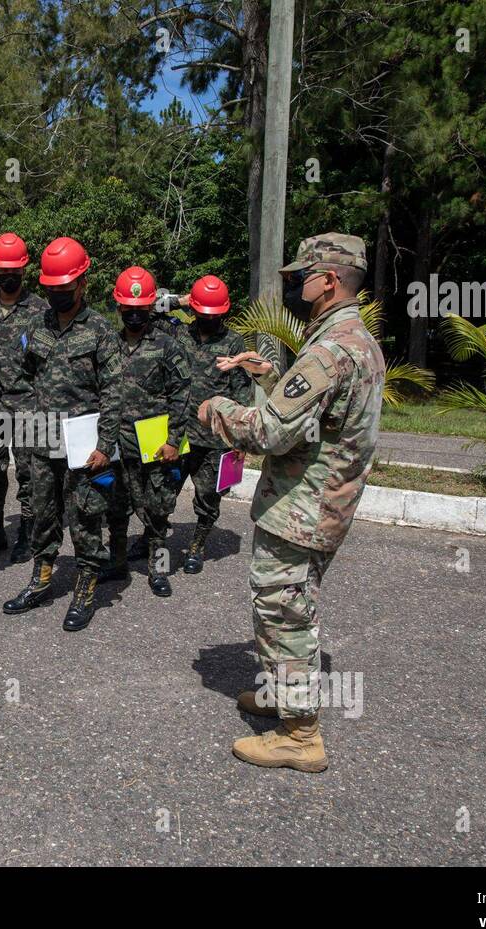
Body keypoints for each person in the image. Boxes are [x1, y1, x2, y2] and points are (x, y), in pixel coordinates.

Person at [199, 233, 385, 773]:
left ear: (328, 279)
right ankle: (284, 694)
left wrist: (213, 409)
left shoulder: (330, 350)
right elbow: (317, 421)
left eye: (303, 273)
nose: (295, 282)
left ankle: (300, 736)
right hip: (323, 501)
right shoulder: (355, 340)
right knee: (289, 600)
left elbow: (270, 432)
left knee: (284, 609)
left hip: (302, 508)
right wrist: (270, 376)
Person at [1, 237, 123, 632]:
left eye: (64, 290)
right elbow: (25, 372)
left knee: (85, 516)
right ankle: (41, 580)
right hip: (41, 438)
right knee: (43, 513)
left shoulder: (101, 331)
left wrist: (106, 445)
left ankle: (85, 588)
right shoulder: (39, 326)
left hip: (83, 444)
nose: (57, 296)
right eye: (51, 290)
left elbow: (114, 392)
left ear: (82, 283)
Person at [102, 266, 191, 596]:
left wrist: (173, 440)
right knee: (116, 509)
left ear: (151, 306)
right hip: (116, 443)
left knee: (158, 510)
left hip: (155, 443)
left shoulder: (168, 346)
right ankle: (117, 561)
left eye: (141, 309)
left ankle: (159, 568)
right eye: (129, 308)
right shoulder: (108, 344)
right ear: (119, 307)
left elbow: (182, 395)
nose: (135, 314)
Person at [0, 233, 48, 563]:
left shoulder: (41, 309)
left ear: (24, 269)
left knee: (29, 474)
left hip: (28, 403)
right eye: (2, 270)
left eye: (13, 269)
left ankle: (27, 535)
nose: (8, 275)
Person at [178, 275, 256, 574]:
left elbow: (241, 390)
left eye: (215, 314)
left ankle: (197, 546)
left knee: (208, 496)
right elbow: (150, 309)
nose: (208, 319)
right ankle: (151, 540)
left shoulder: (233, 342)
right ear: (194, 309)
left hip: (214, 436)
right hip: (179, 433)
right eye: (202, 313)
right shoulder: (180, 334)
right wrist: (180, 301)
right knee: (160, 492)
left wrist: (240, 437)